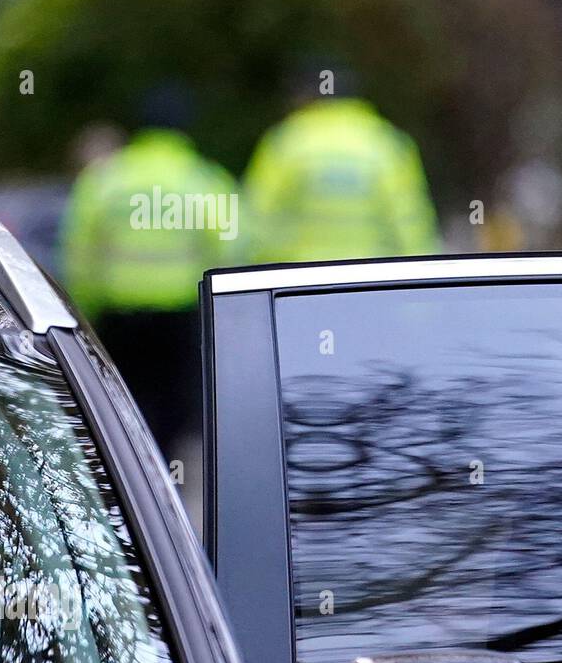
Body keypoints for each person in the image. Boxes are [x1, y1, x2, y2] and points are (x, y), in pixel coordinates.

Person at [61, 127, 236, 459]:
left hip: (119, 314)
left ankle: (127, 471)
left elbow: (78, 253)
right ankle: (164, 476)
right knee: (174, 404)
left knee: (122, 400)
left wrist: (84, 310)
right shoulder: (204, 180)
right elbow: (228, 250)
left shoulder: (105, 180)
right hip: (181, 314)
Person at [239, 97, 439, 265]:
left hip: (298, 286)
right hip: (370, 281)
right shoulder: (385, 144)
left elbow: (255, 222)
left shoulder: (287, 142)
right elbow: (411, 225)